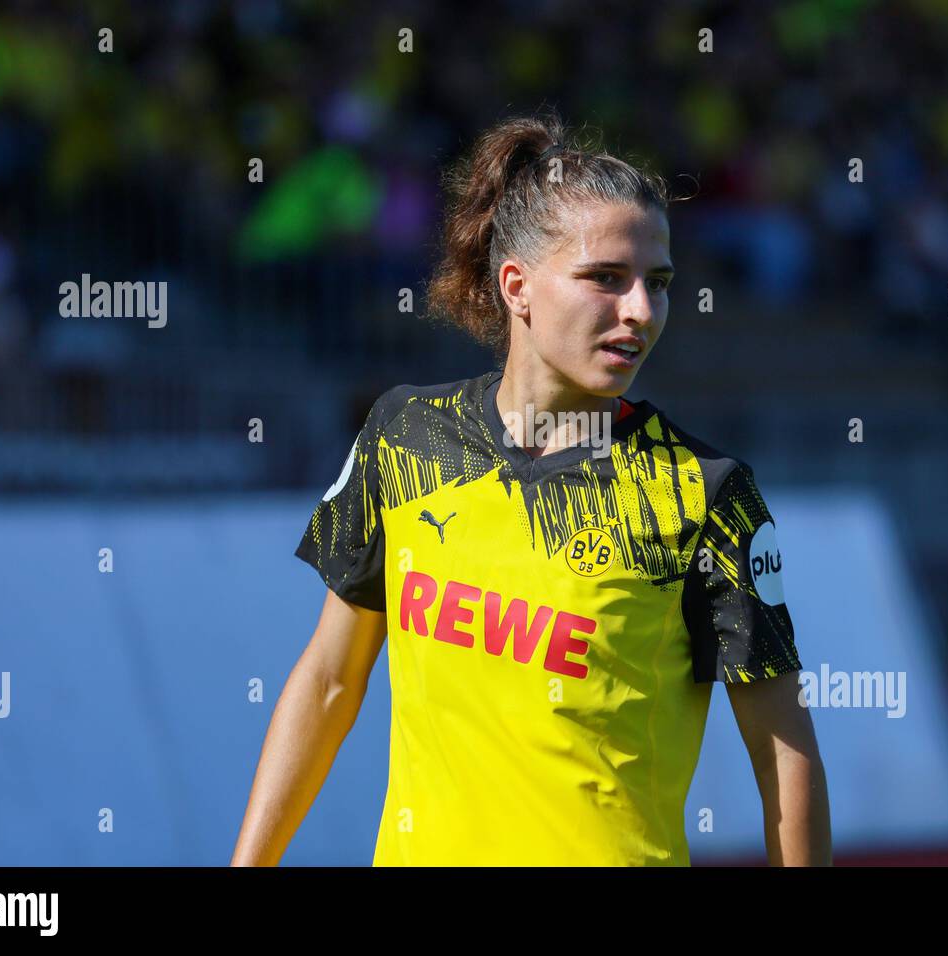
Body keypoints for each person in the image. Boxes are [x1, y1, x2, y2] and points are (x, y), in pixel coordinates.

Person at [232, 113, 831, 867]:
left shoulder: (708, 495)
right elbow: (327, 682)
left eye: (659, 283)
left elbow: (784, 754)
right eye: (606, 279)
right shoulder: (404, 438)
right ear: (516, 285)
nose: (641, 311)